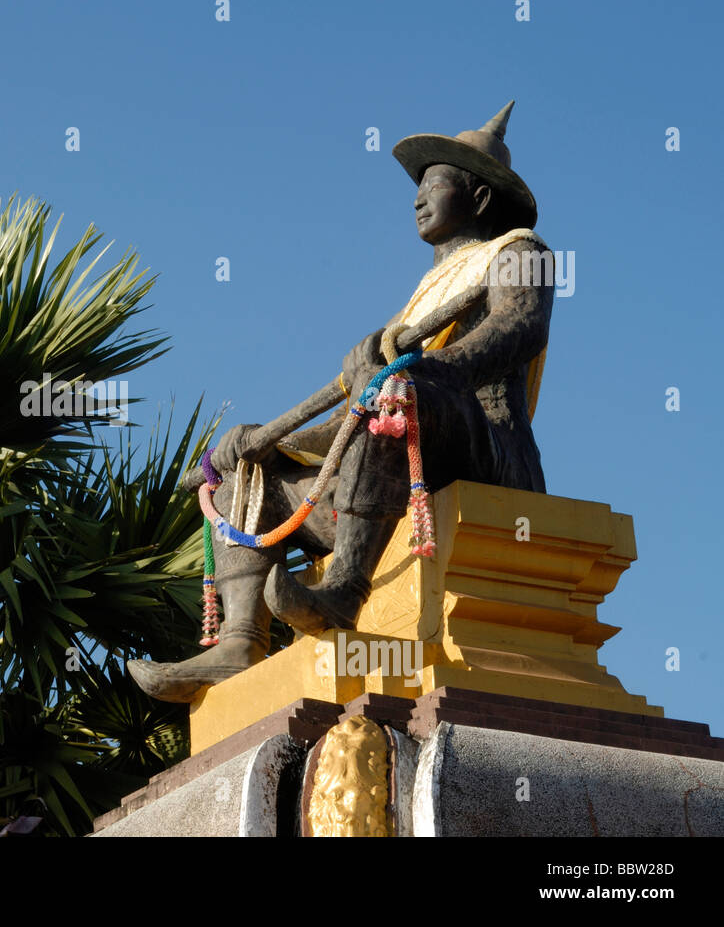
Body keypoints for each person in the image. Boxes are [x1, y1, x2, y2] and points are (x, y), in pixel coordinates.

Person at [130, 102, 554, 704]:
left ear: (480, 198)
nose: (416, 199)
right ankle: (239, 640)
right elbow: (346, 412)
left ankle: (344, 593)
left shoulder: (519, 250)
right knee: (251, 481)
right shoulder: (422, 296)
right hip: (405, 444)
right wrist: (273, 440)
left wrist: (415, 368)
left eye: (434, 183)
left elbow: (518, 328)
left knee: (390, 399)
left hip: (484, 441)